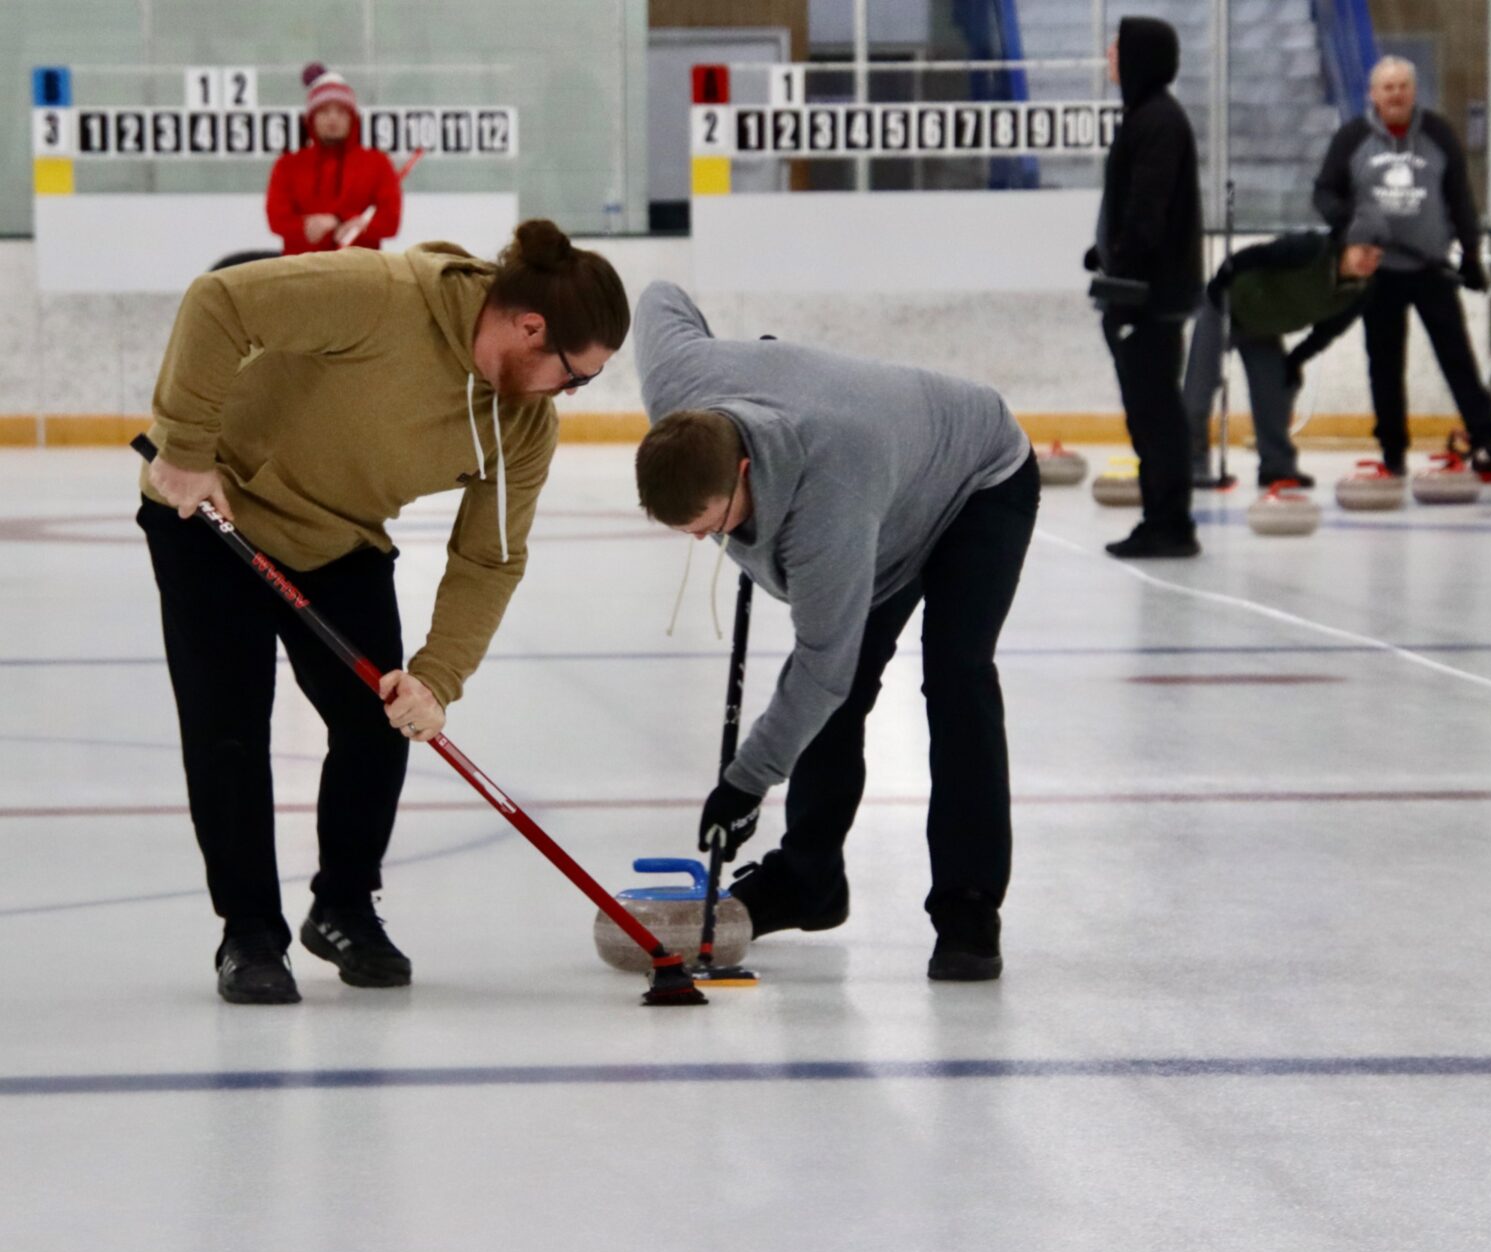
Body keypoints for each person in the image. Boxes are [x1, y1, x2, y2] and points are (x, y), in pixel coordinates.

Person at [139, 220, 627, 1004]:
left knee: (378, 720)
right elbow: (218, 301)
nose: (569, 394)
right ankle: (250, 932)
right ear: (531, 328)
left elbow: (490, 557)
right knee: (228, 728)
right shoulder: (381, 294)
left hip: (339, 537)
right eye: (575, 376)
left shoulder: (523, 425)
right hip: (213, 513)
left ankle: (343, 906)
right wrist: (188, 449)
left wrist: (437, 678)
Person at [632, 280, 1038, 983]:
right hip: (888, 481)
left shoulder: (828, 507)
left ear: (744, 470)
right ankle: (808, 880)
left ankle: (968, 905)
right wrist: (747, 363)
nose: (704, 541)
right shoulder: (680, 382)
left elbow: (824, 666)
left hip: (977, 477)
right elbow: (660, 297)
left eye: (711, 524)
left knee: (955, 676)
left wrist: (745, 783)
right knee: (835, 700)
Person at [1314, 57, 1491, 478]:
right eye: (1388, 87)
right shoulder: (1352, 138)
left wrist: (1471, 255)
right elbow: (1324, 193)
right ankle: (1392, 449)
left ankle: (1485, 437)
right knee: (1384, 362)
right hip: (1377, 272)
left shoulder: (1438, 134)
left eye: (1403, 86)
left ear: (1414, 92)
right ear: (1373, 95)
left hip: (1430, 267)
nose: (1396, 94)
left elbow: (1460, 198)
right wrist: (1352, 226)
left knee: (1457, 356)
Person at [1084, 16, 1204, 558]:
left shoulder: (1157, 120)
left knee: (1155, 413)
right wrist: (1104, 252)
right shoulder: (1147, 116)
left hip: (1146, 298)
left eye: (1119, 49)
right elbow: (1136, 206)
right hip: (1140, 291)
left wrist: (1123, 264)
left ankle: (1170, 523)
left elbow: (1147, 211)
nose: (1110, 57)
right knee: (1148, 410)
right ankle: (1160, 516)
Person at [1181, 217, 1388, 487]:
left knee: (1276, 388)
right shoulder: (1311, 249)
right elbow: (1254, 255)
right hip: (1225, 310)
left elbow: (1327, 331)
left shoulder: (1362, 289)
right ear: (1347, 245)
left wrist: (1295, 360)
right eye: (1364, 251)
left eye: (1377, 257)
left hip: (1263, 328)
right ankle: (1191, 464)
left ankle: (1277, 466)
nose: (1369, 261)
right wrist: (1222, 284)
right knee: (1200, 387)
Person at [266, 63, 401, 256]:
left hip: (361, 267)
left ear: (352, 118)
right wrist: (308, 226)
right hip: (302, 267)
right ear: (311, 119)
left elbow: (390, 221)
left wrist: (352, 223)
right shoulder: (287, 165)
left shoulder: (378, 163)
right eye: (324, 111)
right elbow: (277, 219)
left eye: (341, 111)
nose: (333, 119)